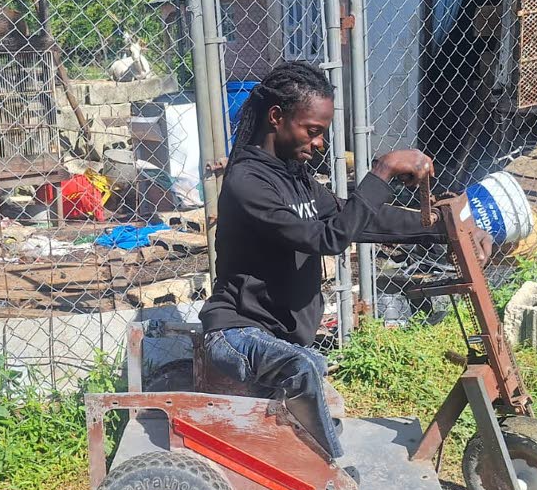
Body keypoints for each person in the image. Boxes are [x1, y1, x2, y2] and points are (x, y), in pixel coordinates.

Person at [199, 60, 492, 468]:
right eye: (312, 130)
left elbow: (355, 220)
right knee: (304, 367)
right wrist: (382, 170)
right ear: (277, 117)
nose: (319, 143)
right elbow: (330, 238)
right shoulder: (248, 182)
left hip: (279, 340)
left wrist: (448, 227)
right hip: (237, 332)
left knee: (306, 364)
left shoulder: (294, 176)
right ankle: (338, 473)